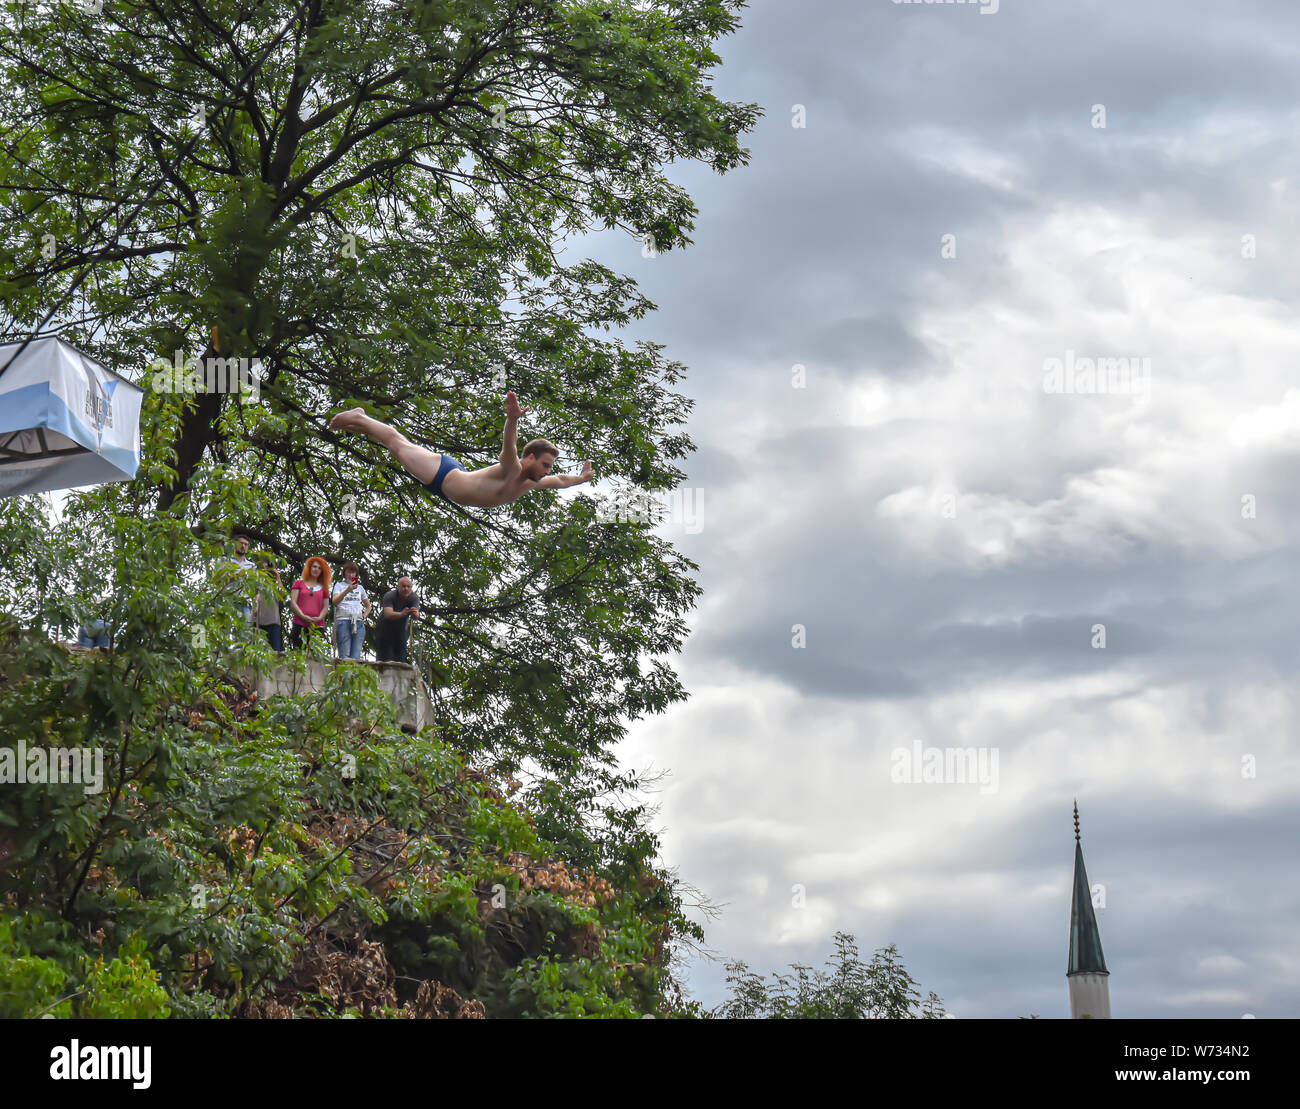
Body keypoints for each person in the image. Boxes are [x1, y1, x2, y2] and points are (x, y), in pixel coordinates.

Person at [328, 391, 594, 508]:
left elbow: (559, 481)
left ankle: (357, 424)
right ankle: (360, 417)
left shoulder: (531, 483)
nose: (548, 471)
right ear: (531, 457)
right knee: (397, 443)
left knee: (397, 446)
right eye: (546, 464)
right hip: (443, 475)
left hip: (453, 480)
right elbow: (509, 448)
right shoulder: (512, 468)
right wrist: (512, 419)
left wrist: (580, 479)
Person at [375, 577, 421, 663]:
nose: (406, 589)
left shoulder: (413, 597)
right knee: (385, 658)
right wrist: (402, 614)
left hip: (400, 631)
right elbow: (388, 614)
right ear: (398, 587)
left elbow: (416, 616)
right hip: (384, 629)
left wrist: (415, 613)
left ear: (411, 588)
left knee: (401, 658)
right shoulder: (390, 595)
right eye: (403, 586)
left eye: (408, 586)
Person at [288, 557, 331, 649]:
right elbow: (293, 602)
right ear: (309, 568)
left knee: (314, 656)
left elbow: (325, 607)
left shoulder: (325, 588)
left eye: (319, 568)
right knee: (298, 653)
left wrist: (319, 618)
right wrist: (303, 616)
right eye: (314, 567)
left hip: (317, 626)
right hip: (299, 623)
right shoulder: (298, 583)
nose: (316, 569)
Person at [331, 561, 371, 660]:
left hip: (358, 622)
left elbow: (368, 606)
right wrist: (347, 590)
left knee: (356, 656)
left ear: (356, 574)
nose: (351, 575)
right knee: (344, 656)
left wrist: (364, 616)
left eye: (353, 573)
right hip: (343, 620)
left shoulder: (360, 588)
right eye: (348, 572)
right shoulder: (339, 585)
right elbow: (335, 601)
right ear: (344, 573)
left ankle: (354, 675)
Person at [253, 553, 287, 652]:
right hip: (258, 623)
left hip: (273, 622)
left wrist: (277, 575)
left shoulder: (273, 586)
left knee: (275, 653)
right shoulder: (254, 584)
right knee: (258, 651)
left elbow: (282, 595)